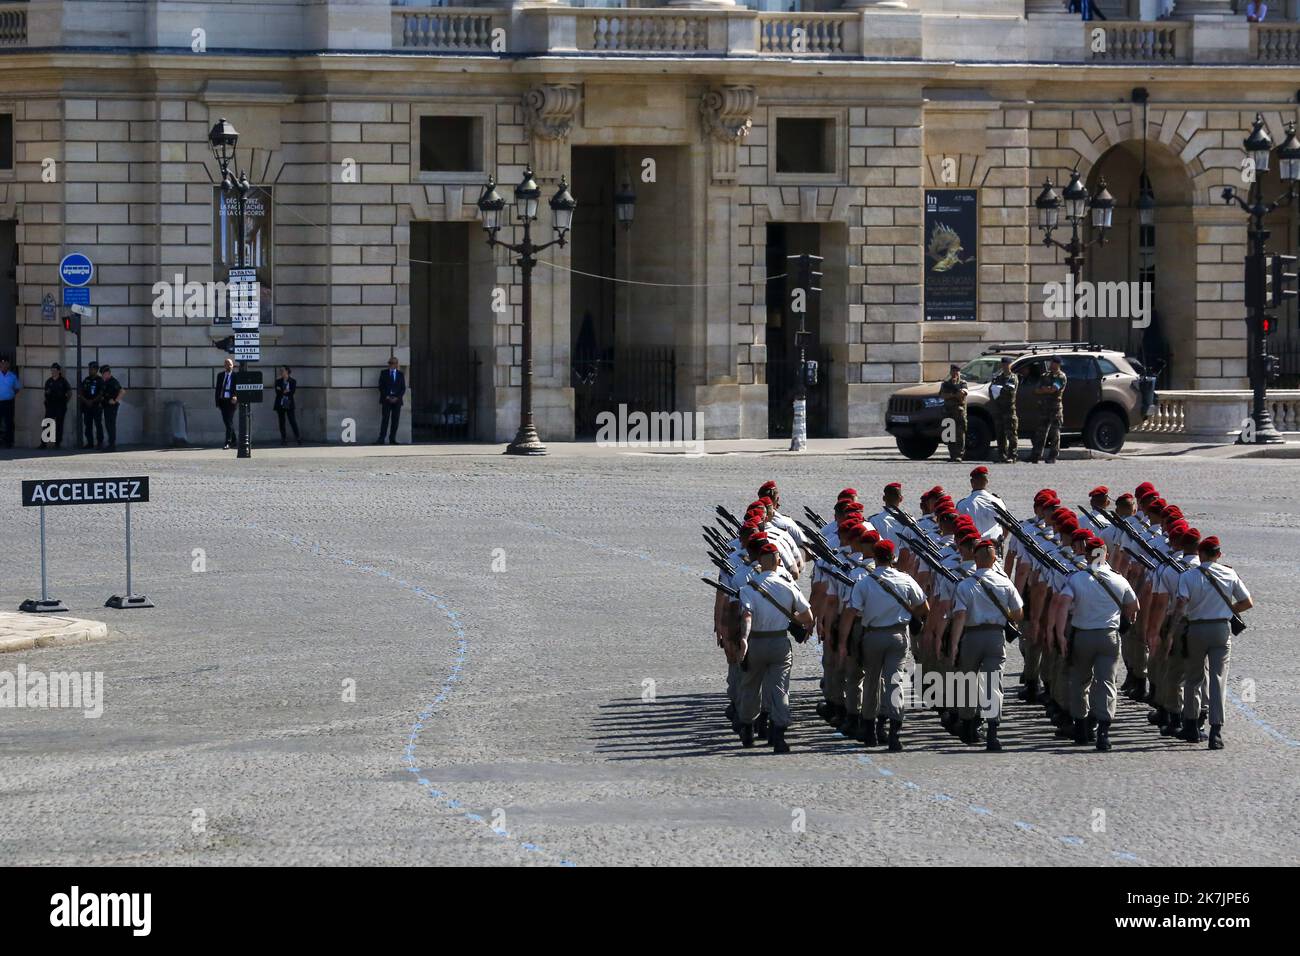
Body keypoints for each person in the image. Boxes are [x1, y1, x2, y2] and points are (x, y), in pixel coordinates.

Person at [1058, 531, 1138, 751]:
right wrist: (1124, 619)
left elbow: (1063, 604)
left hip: (1082, 634)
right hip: (1108, 636)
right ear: (1105, 554)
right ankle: (1103, 733)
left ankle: (1081, 729)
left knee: (1080, 681)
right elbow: (1134, 606)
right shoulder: (1118, 579)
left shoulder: (1076, 578)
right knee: (1106, 682)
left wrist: (1059, 634)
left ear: (1086, 556)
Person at [1170, 536, 1252, 750]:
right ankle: (1216, 731)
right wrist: (1227, 611)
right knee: (1217, 680)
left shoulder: (1188, 576)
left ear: (1201, 553)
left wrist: (1171, 632)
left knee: (1193, 678)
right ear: (1219, 555)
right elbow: (1247, 602)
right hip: (1221, 629)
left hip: (1196, 628)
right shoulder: (1230, 573)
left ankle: (1191, 726)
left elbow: (1180, 606)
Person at [736, 536, 813, 754]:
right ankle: (778, 736)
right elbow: (808, 616)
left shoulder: (748, 589)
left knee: (751, 686)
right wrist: (793, 621)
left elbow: (747, 616)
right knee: (780, 688)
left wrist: (743, 639)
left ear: (760, 561)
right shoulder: (788, 585)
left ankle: (748, 731)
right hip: (779, 641)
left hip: (757, 641)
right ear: (778, 561)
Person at [949, 538, 1024, 751]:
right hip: (995, 636)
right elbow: (1018, 612)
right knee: (993, 683)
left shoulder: (965, 584)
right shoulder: (1005, 582)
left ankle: (968, 726)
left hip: (972, 636)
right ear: (994, 560)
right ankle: (992, 733)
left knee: (967, 681)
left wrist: (954, 644)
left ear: (975, 558)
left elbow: (960, 616)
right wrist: (1003, 616)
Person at [1029, 356, 1066, 464]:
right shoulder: (1045, 375)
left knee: (1054, 433)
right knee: (1041, 432)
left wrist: (1045, 389)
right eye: (1051, 362)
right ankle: (1036, 455)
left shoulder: (1061, 376)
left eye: (1053, 363)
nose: (1051, 364)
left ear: (1058, 364)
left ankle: (1052, 456)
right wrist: (1046, 390)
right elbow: (1036, 390)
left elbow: (1053, 389)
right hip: (1044, 408)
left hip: (1055, 408)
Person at [956, 465, 1006, 540]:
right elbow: (1007, 525)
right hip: (995, 545)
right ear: (987, 481)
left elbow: (958, 528)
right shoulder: (999, 502)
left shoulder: (962, 504)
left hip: (974, 547)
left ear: (971, 482)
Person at [990, 356, 1019, 463]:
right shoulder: (997, 378)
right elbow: (991, 390)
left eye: (1006, 364)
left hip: (1009, 410)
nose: (1005, 366)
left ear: (1010, 365)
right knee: (1000, 434)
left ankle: (1012, 455)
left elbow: (1009, 390)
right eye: (1003, 364)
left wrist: (1000, 389)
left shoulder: (1013, 377)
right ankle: (1002, 455)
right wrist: (1000, 389)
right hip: (999, 409)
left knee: (1011, 434)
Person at [938, 363, 968, 463]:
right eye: (953, 371)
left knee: (960, 434)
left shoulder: (963, 383)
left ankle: (959, 455)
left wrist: (952, 394)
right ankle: (952, 454)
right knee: (949, 434)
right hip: (948, 411)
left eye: (957, 371)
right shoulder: (946, 384)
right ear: (951, 372)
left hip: (959, 412)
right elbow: (942, 395)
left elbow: (962, 394)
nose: (955, 373)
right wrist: (954, 395)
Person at [42, 363, 72, 449]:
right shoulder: (49, 381)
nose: (53, 372)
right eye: (52, 370)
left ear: (59, 371)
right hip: (50, 405)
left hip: (60, 405)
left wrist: (65, 402)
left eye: (55, 370)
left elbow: (69, 393)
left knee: (59, 424)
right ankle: (44, 443)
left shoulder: (63, 381)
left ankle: (57, 443)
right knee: (47, 423)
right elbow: (46, 393)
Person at [377, 356, 405, 445]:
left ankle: (392, 439)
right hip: (386, 400)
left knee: (395, 420)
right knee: (385, 419)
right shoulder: (384, 373)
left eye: (395, 363)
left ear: (397, 364)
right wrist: (387, 397)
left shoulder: (400, 374)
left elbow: (403, 388)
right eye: (391, 363)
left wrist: (397, 397)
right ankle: (381, 439)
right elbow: (381, 387)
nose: (393, 365)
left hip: (397, 400)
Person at [99, 365, 124, 451]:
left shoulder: (113, 382)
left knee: (111, 426)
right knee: (108, 425)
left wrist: (115, 401)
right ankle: (110, 444)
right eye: (102, 374)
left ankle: (112, 445)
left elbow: (122, 391)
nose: (102, 375)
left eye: (103, 374)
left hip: (112, 407)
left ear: (108, 373)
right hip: (106, 407)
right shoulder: (106, 382)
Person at [274, 366, 301, 445]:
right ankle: (283, 439)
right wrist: (284, 391)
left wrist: (283, 391)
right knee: (281, 422)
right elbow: (277, 392)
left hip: (288, 402)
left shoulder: (292, 381)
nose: (281, 372)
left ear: (287, 371)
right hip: (280, 402)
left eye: (282, 370)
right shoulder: (278, 381)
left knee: (292, 420)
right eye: (280, 370)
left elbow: (292, 392)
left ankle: (298, 437)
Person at [215, 357, 239, 449]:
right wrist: (217, 402)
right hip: (222, 401)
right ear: (224, 365)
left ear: (233, 366)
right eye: (226, 364)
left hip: (231, 401)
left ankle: (227, 442)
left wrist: (236, 396)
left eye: (230, 364)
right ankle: (234, 440)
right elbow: (218, 389)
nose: (228, 365)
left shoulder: (235, 376)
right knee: (227, 422)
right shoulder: (220, 375)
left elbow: (238, 388)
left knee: (229, 421)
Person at [80, 360, 104, 449]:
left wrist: (93, 401)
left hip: (96, 406)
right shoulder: (86, 380)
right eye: (89, 369)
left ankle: (100, 442)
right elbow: (80, 392)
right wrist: (86, 401)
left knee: (98, 424)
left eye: (92, 369)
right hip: (87, 406)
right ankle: (90, 442)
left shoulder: (100, 380)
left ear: (96, 370)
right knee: (88, 425)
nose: (90, 371)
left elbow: (101, 393)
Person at [0, 355, 20, 448]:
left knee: (9, 422)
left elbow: (17, 388)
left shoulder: (12, 376)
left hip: (8, 402)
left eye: (5, 363)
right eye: (2, 363)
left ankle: (9, 442)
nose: (3, 365)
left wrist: (10, 394)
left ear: (8, 364)